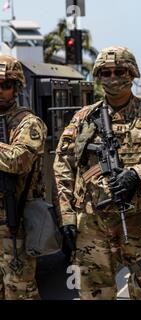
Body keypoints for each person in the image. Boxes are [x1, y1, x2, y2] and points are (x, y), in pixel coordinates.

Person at [53, 46, 141, 300]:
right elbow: (62, 166)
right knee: (93, 294)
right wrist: (67, 217)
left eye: (119, 71)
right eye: (106, 72)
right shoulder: (83, 119)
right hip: (92, 226)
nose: (112, 77)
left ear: (132, 73)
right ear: (98, 77)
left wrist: (138, 175)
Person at [0, 55, 47, 300]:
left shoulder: (28, 123)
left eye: (5, 85)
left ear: (16, 87)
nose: (0, 91)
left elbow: (18, 160)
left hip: (14, 222)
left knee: (19, 292)